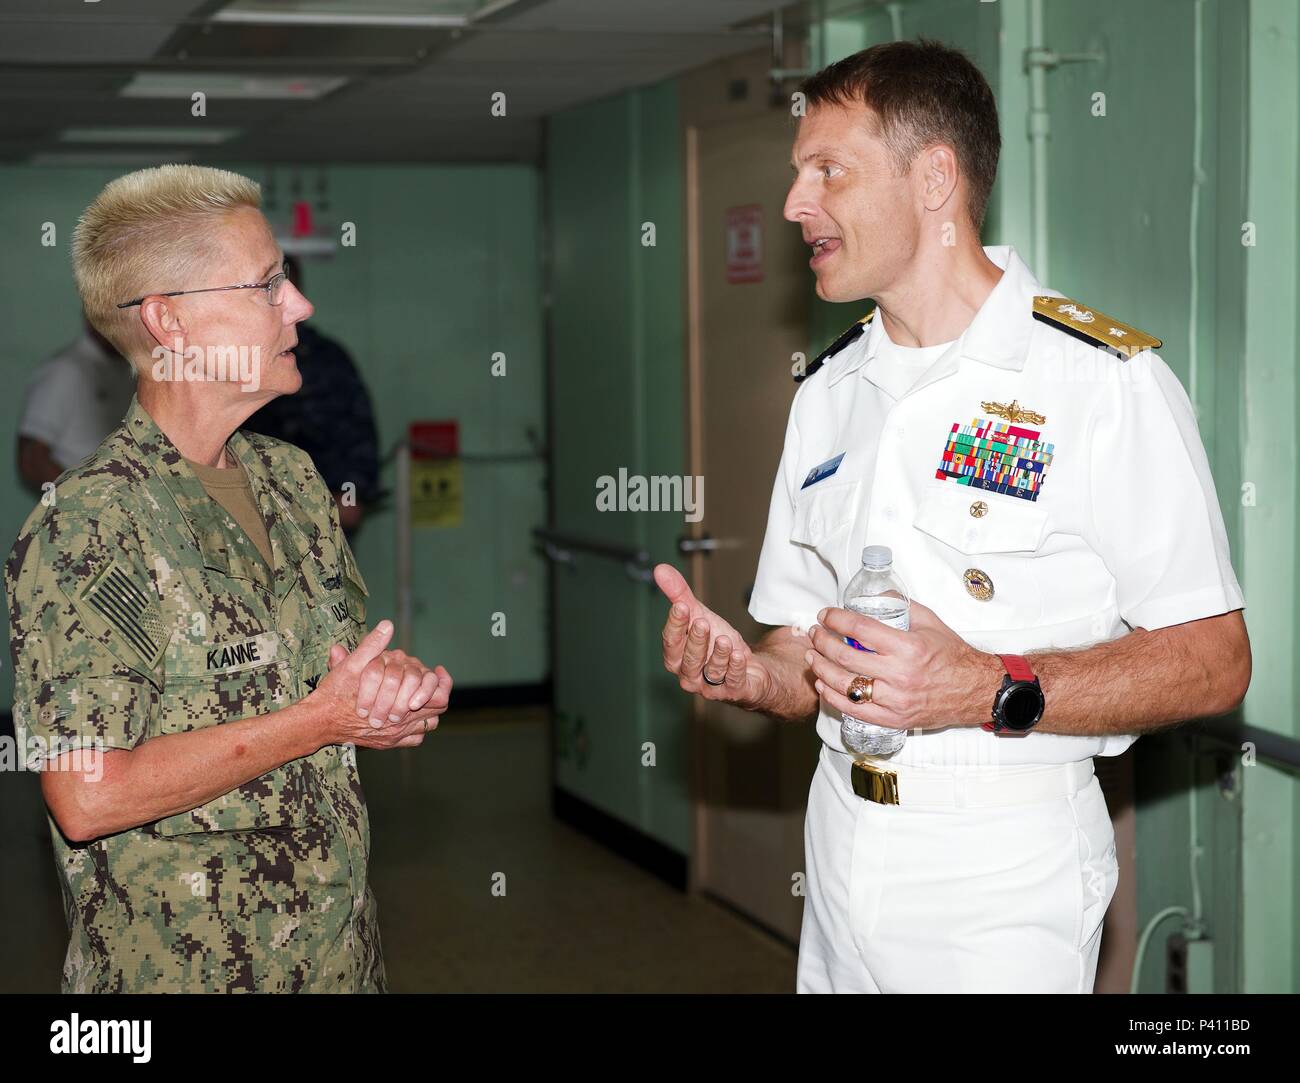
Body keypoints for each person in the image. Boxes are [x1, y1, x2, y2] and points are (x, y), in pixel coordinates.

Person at [654, 39, 1250, 993]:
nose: (795, 204)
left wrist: (980, 685)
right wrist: (756, 675)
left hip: (1002, 861)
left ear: (934, 179)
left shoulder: (1101, 382)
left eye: (828, 171)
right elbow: (804, 641)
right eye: (796, 174)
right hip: (841, 835)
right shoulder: (828, 392)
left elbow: (1216, 659)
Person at [5, 164, 453, 993]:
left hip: (338, 962)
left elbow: (323, 680)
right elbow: (86, 795)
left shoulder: (292, 481)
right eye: (268, 284)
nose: (301, 306)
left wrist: (380, 690)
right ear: (168, 320)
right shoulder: (91, 522)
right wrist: (319, 719)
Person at [243, 255, 381, 538]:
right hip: (250, 513)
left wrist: (349, 497)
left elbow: (358, 432)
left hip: (321, 516)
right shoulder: (238, 358)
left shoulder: (326, 358)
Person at [16, 318, 135, 492]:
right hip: (84, 511)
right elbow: (32, 461)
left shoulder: (130, 370)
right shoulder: (65, 371)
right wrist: (82, 499)